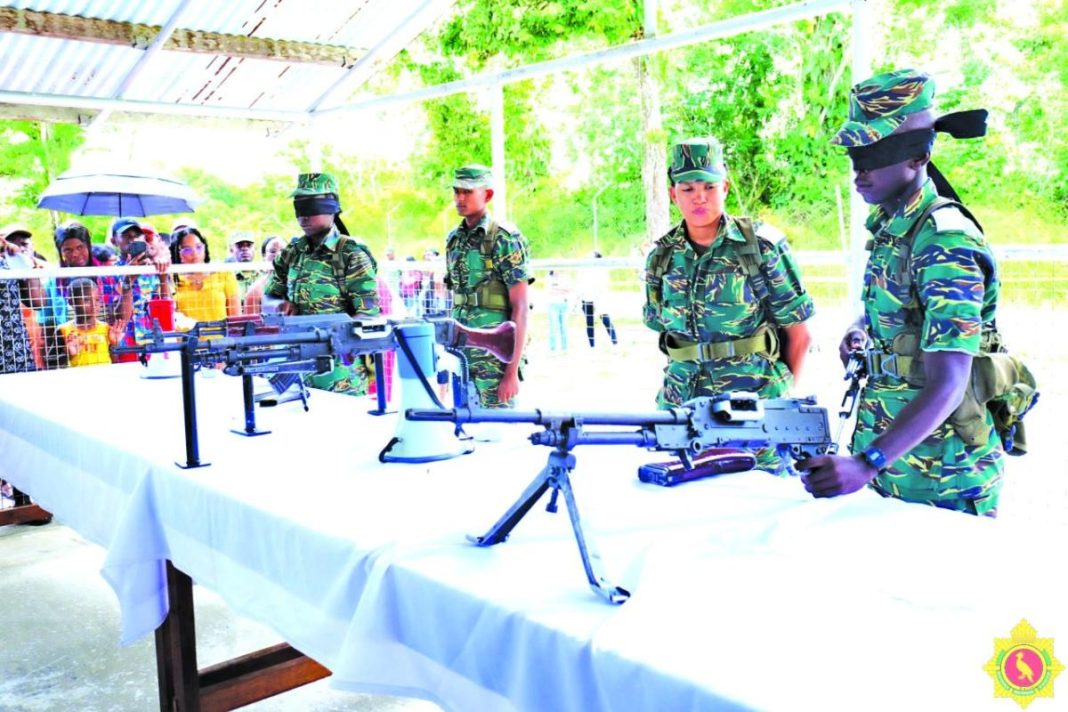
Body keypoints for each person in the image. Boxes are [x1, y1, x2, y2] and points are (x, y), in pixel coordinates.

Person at [798, 69, 1004, 516]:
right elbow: (903, 313)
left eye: (874, 155)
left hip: (944, 481)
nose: (859, 170)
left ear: (918, 156)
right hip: (894, 471)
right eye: (855, 155)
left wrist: (866, 463)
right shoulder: (894, 226)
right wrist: (861, 329)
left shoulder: (944, 241)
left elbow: (950, 382)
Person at [644, 137, 814, 472]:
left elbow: (800, 334)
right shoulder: (661, 257)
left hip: (751, 411)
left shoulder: (760, 247)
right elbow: (662, 329)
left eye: (708, 186)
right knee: (683, 493)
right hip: (682, 411)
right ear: (673, 194)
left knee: (759, 493)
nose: (699, 197)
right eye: (688, 188)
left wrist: (778, 398)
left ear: (724, 187)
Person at [263, 172, 380, 396]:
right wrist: (279, 305)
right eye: (299, 207)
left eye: (311, 207)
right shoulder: (293, 252)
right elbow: (269, 296)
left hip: (338, 372)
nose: (303, 216)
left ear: (332, 207)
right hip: (294, 360)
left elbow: (368, 314)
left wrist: (335, 341)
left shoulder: (351, 254)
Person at [445, 164, 532, 408]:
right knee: (462, 424)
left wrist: (511, 372)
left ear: (488, 195)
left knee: (499, 427)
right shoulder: (454, 240)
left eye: (468, 192)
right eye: (457, 191)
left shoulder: (505, 238)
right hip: (460, 354)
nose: (460, 198)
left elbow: (521, 308)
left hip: (494, 358)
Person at [169, 225, 241, 322]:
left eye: (199, 247)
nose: (194, 253)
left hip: (221, 332)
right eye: (187, 250)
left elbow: (236, 319)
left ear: (205, 248)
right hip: (186, 332)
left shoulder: (224, 274)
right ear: (178, 254)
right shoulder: (172, 279)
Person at [58, 278, 120, 367]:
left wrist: (114, 343)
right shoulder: (63, 330)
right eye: (87, 300)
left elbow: (114, 360)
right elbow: (53, 364)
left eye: (97, 299)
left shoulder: (106, 329)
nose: (94, 304)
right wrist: (68, 353)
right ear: (71, 302)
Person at [0, 227, 36, 374]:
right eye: (13, 242)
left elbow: (37, 302)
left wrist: (27, 263)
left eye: (24, 243)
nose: (19, 247)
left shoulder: (16, 264)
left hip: (16, 345)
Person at [579, 251, 617, 347]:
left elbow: (602, 286)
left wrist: (597, 299)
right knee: (589, 322)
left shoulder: (602, 271)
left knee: (606, 320)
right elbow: (581, 284)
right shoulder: (585, 270)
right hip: (587, 298)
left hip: (599, 299)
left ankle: (615, 342)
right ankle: (592, 345)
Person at [242, 236, 287, 316]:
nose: (278, 254)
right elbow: (250, 321)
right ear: (264, 256)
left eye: (283, 251)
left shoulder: (300, 283)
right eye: (272, 251)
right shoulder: (255, 290)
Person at [545, 269, 570, 355]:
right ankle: (553, 349)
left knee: (564, 327)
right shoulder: (548, 278)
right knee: (553, 327)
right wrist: (562, 289)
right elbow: (549, 291)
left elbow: (569, 289)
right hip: (552, 305)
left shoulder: (565, 276)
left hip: (564, 304)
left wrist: (557, 288)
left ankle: (564, 348)